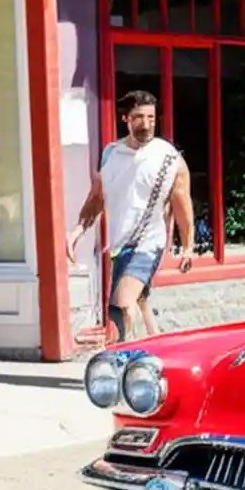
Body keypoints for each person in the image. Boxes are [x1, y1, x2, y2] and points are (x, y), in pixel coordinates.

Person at [68, 90, 195, 343]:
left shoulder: (169, 158)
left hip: (149, 242)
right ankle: (156, 352)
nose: (146, 124)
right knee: (139, 301)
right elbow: (96, 199)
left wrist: (188, 246)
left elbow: (182, 205)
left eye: (151, 117)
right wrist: (76, 232)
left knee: (121, 305)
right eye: (138, 117)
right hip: (120, 244)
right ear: (125, 118)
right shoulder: (111, 154)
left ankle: (125, 359)